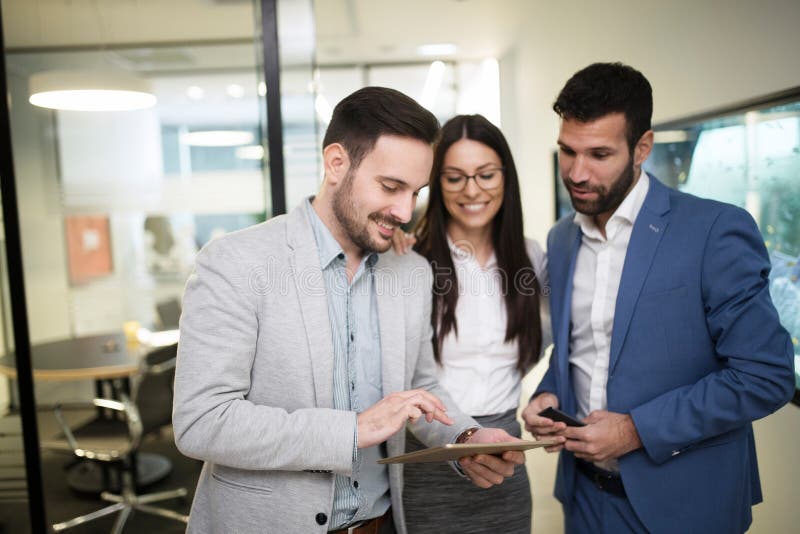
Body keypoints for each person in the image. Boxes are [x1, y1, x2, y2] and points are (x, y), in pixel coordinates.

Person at [172, 86, 525, 534]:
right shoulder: (236, 262)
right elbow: (202, 421)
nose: (404, 211)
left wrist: (464, 436)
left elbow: (420, 386)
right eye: (390, 187)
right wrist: (353, 430)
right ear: (336, 163)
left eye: (415, 192)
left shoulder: (412, 272)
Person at [521, 62, 796, 534]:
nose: (577, 173)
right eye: (568, 151)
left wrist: (634, 430)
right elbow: (580, 347)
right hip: (583, 499)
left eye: (599, 154)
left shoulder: (715, 231)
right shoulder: (562, 238)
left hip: (686, 505)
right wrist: (549, 392)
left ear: (642, 148)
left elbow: (766, 375)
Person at [392, 114, 549, 533]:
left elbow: (565, 338)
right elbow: (401, 376)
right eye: (455, 177)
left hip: (506, 458)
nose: (472, 190)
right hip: (430, 457)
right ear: (436, 183)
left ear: (505, 177)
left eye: (486, 175)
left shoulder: (531, 259)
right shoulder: (409, 262)